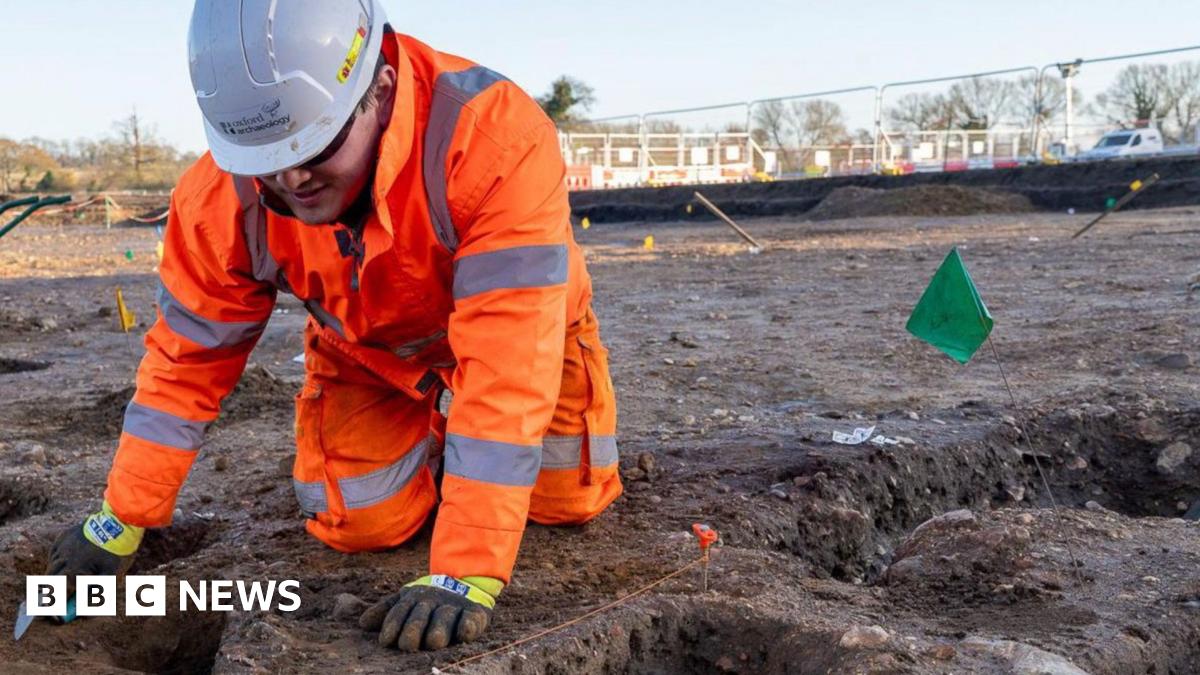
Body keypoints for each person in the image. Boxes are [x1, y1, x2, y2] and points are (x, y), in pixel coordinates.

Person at [46, 0, 621, 652]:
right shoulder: (221, 201)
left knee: (565, 499)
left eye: (313, 146)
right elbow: (184, 366)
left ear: (379, 87)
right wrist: (119, 518)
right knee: (358, 519)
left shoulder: (493, 140)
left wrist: (463, 572)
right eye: (264, 157)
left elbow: (510, 363)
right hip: (366, 352)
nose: (290, 178)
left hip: (527, 334)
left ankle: (459, 451)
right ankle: (436, 439)